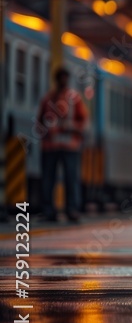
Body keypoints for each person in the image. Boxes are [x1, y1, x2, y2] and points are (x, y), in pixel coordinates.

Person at [37, 66, 88, 223]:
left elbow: (83, 121)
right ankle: (49, 210)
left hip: (69, 145)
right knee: (49, 180)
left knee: (70, 179)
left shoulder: (74, 99)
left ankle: (71, 209)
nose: (62, 81)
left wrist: (70, 127)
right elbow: (39, 122)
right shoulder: (48, 99)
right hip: (51, 146)